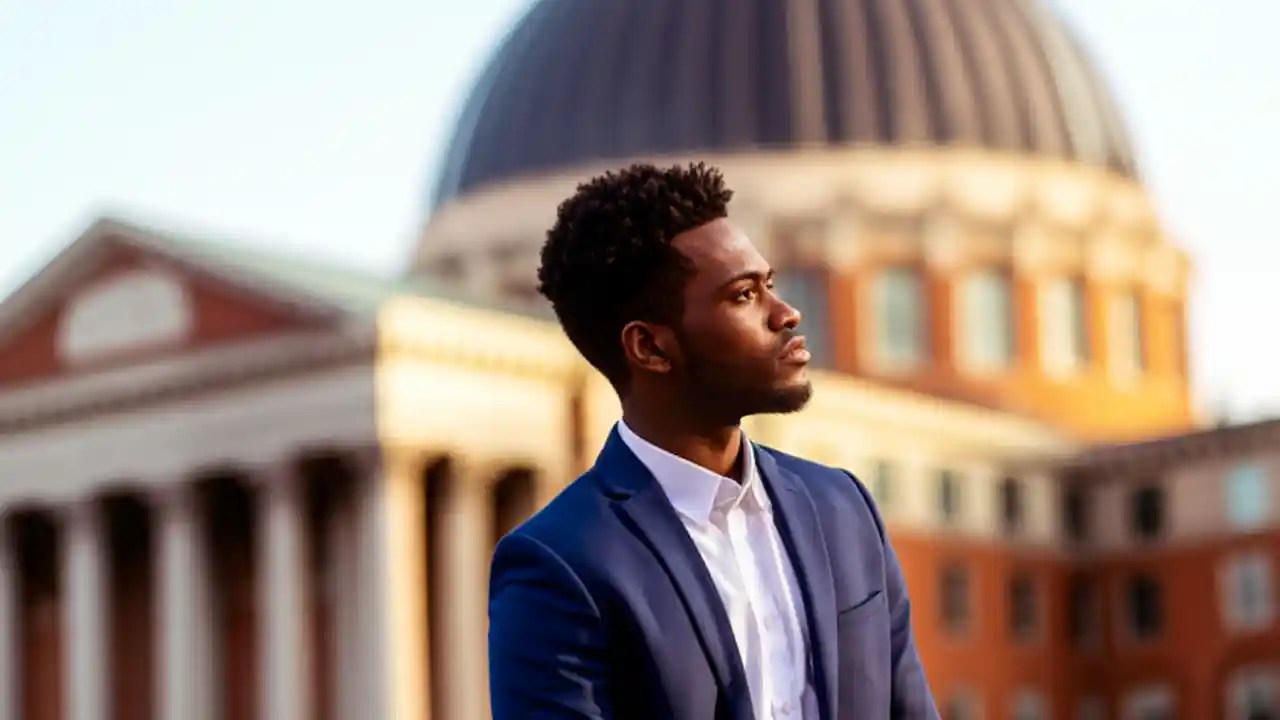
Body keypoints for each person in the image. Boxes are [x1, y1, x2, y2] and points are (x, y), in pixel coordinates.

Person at [488, 162, 940, 719]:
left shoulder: (843, 509)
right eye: (744, 294)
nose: (787, 313)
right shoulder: (559, 564)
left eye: (770, 284)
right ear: (650, 348)